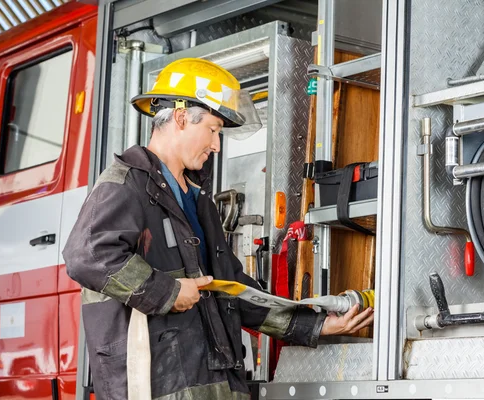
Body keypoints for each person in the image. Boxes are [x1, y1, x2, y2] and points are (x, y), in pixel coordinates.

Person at [63, 58, 374, 400]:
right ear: (181, 117)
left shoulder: (197, 201)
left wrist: (314, 325)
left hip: (218, 385)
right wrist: (166, 292)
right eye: (212, 130)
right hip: (157, 388)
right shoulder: (126, 185)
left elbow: (233, 288)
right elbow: (87, 255)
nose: (216, 145)